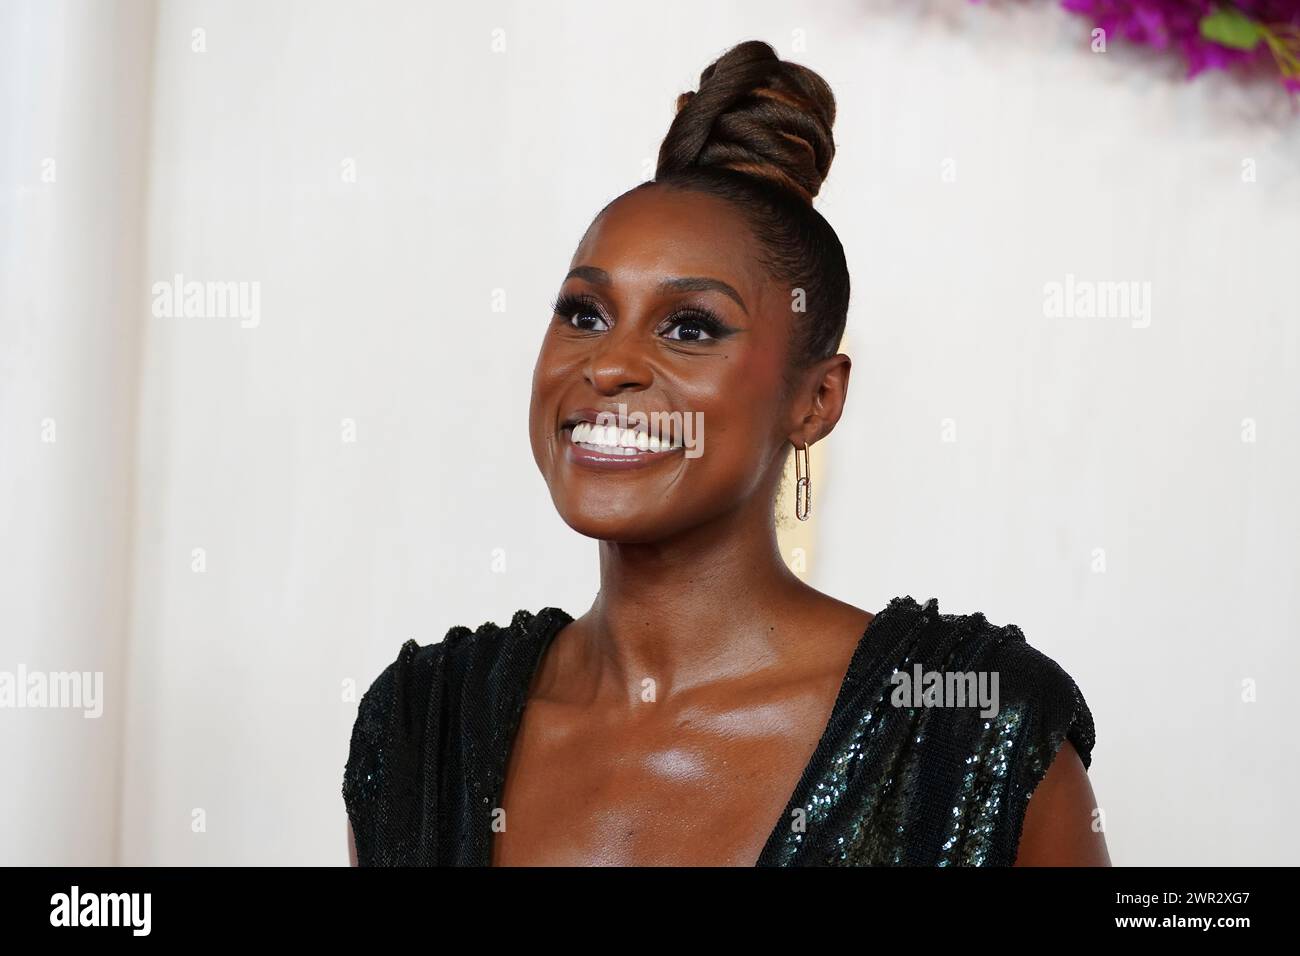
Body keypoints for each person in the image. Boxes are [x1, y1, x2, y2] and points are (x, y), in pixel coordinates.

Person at [343, 39, 1109, 867]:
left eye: (691, 326)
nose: (608, 365)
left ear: (817, 401)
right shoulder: (425, 724)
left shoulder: (968, 726)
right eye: (584, 313)